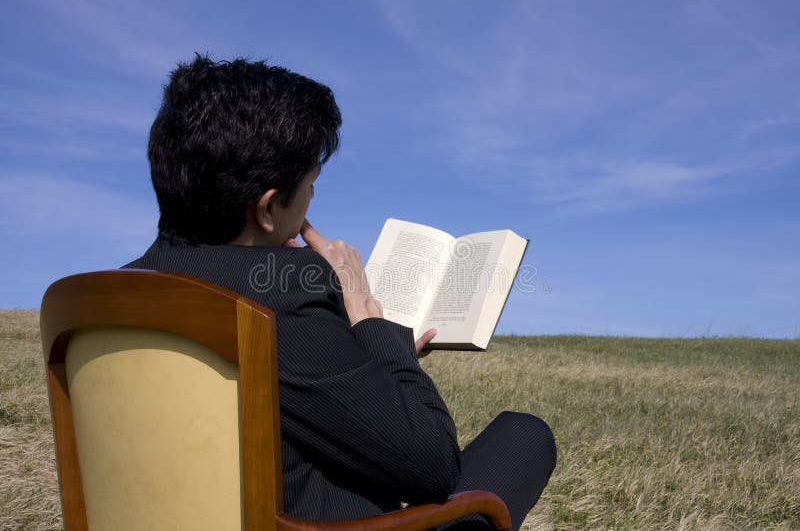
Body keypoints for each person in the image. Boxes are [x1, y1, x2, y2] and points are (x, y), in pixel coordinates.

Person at [124, 54, 556, 530]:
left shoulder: (109, 295)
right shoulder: (278, 297)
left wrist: (358, 351)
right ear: (267, 209)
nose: (312, 198)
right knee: (523, 435)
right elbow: (433, 467)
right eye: (310, 184)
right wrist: (368, 316)